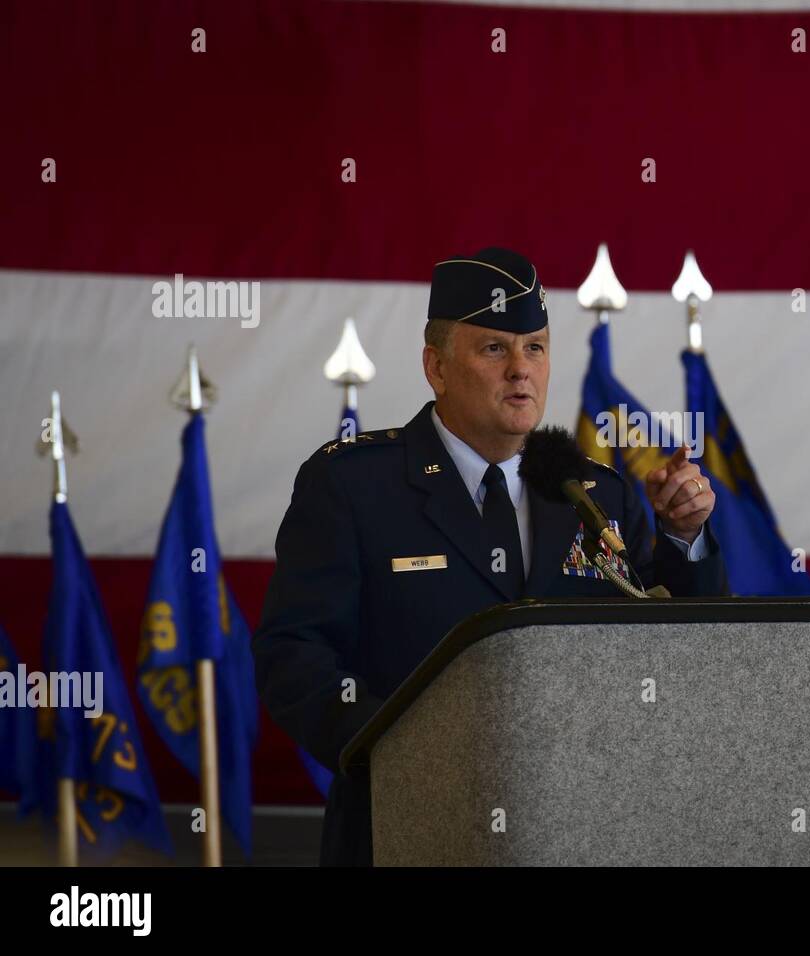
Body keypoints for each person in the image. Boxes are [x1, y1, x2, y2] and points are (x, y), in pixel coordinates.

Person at [253, 247, 729, 865]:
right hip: (409, 824)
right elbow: (294, 654)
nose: (521, 371)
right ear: (437, 366)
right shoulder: (353, 487)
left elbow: (678, 652)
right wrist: (393, 748)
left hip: (578, 831)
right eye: (494, 349)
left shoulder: (593, 492)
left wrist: (682, 538)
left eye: (535, 347)